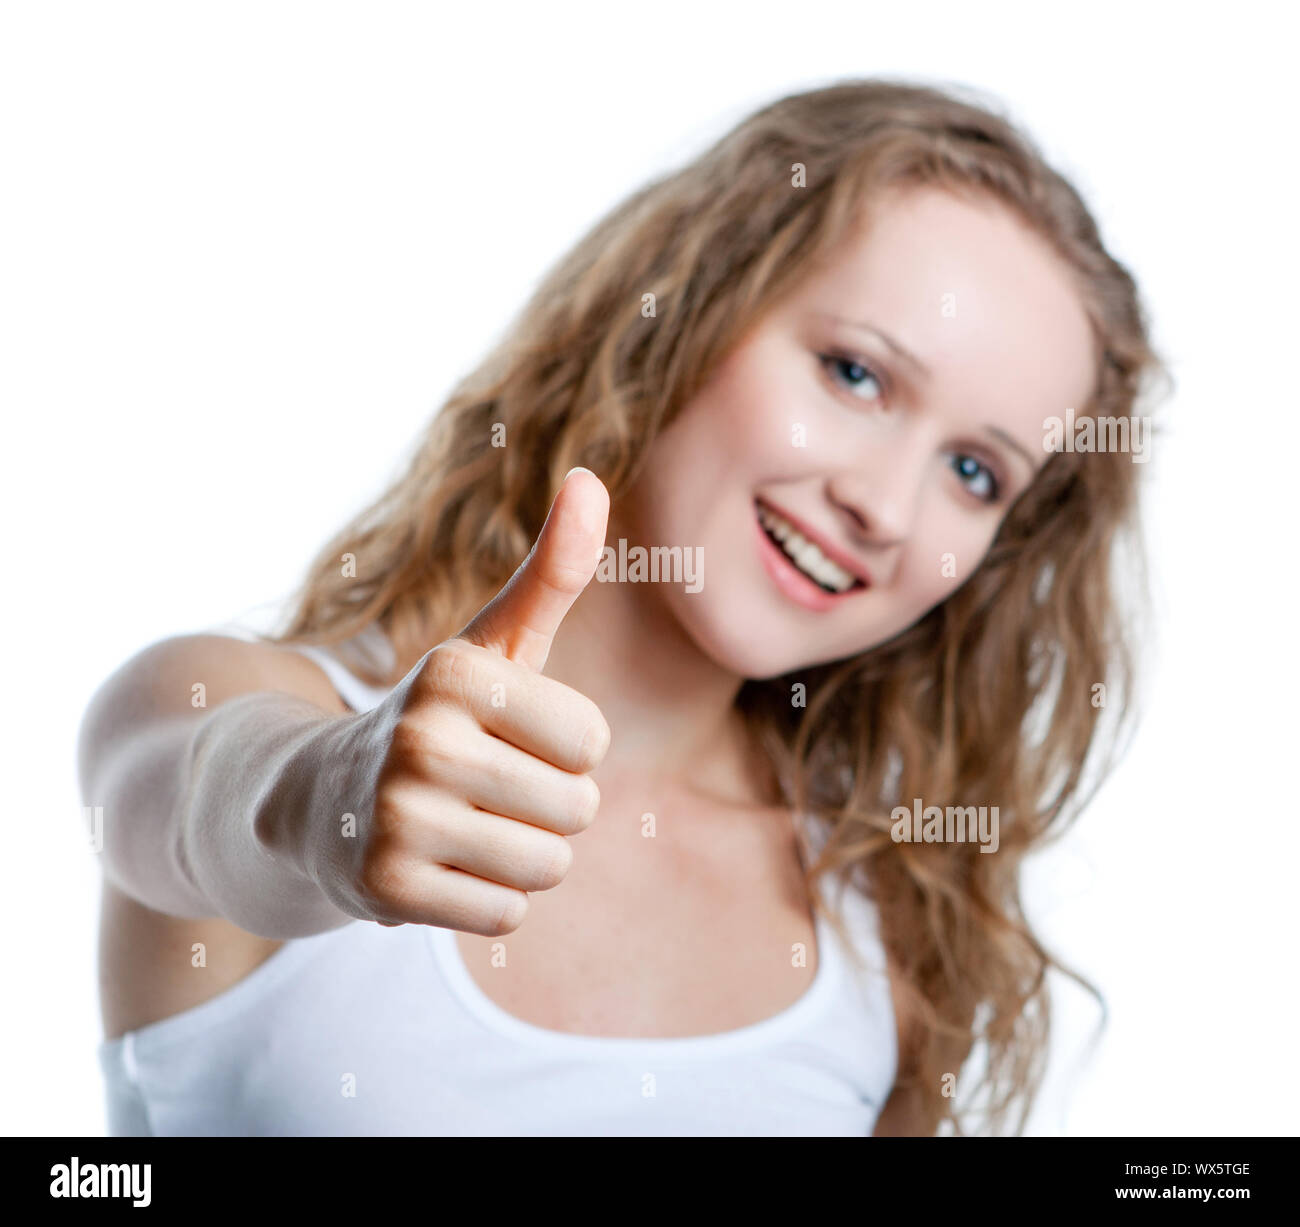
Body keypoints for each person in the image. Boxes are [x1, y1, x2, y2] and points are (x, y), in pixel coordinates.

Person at [77, 77, 1168, 1137]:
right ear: (687, 315)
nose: (883, 506)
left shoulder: (886, 924)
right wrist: (324, 805)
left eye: (975, 472)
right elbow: (192, 799)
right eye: (853, 374)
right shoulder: (248, 700)